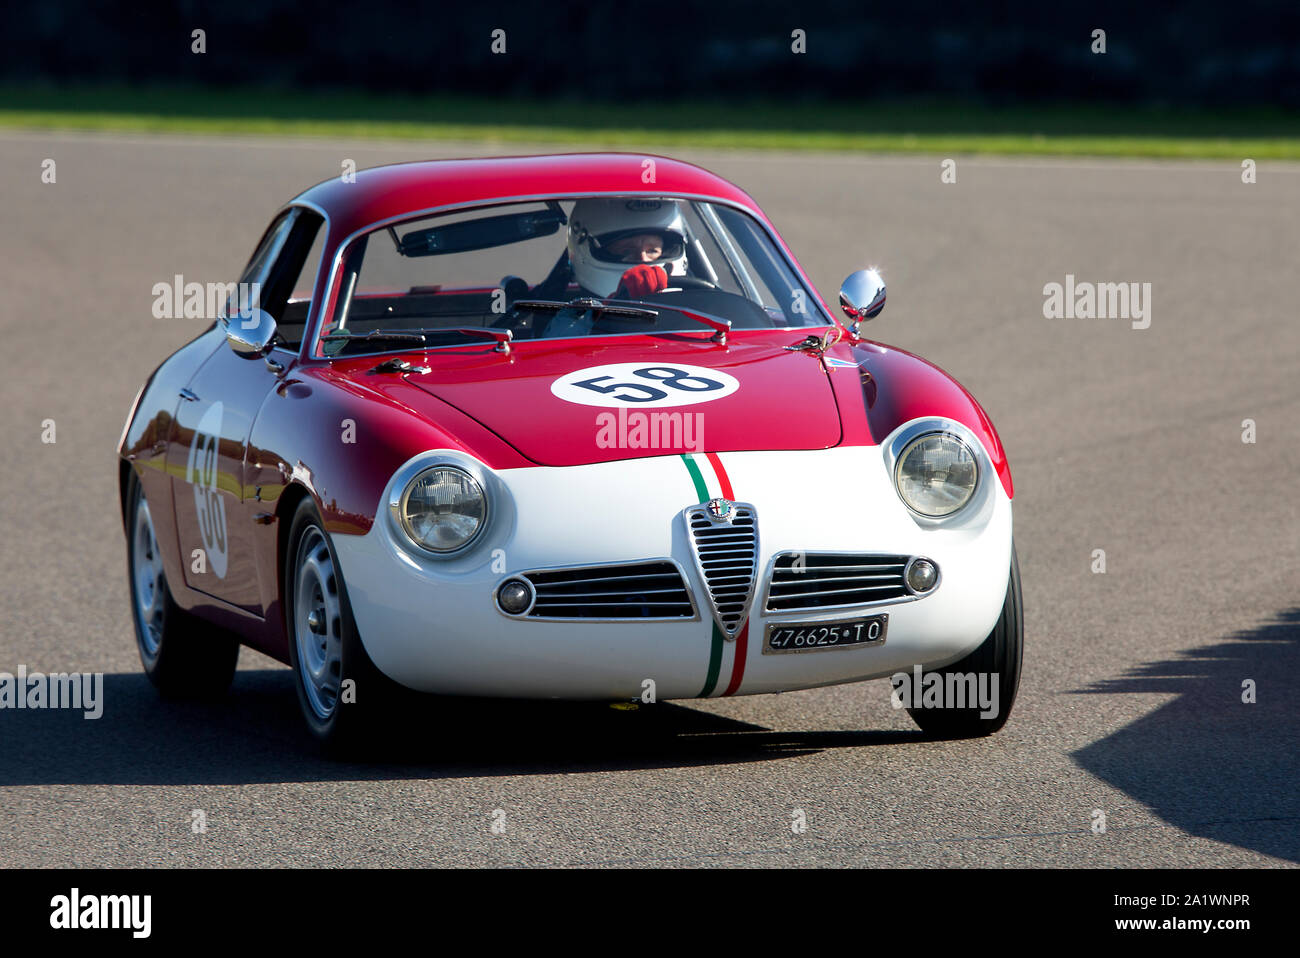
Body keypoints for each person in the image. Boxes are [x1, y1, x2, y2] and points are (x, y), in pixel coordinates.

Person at [564, 198, 690, 299]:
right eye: (627, 251)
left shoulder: (693, 306)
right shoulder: (574, 316)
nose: (643, 260)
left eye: (652, 251)